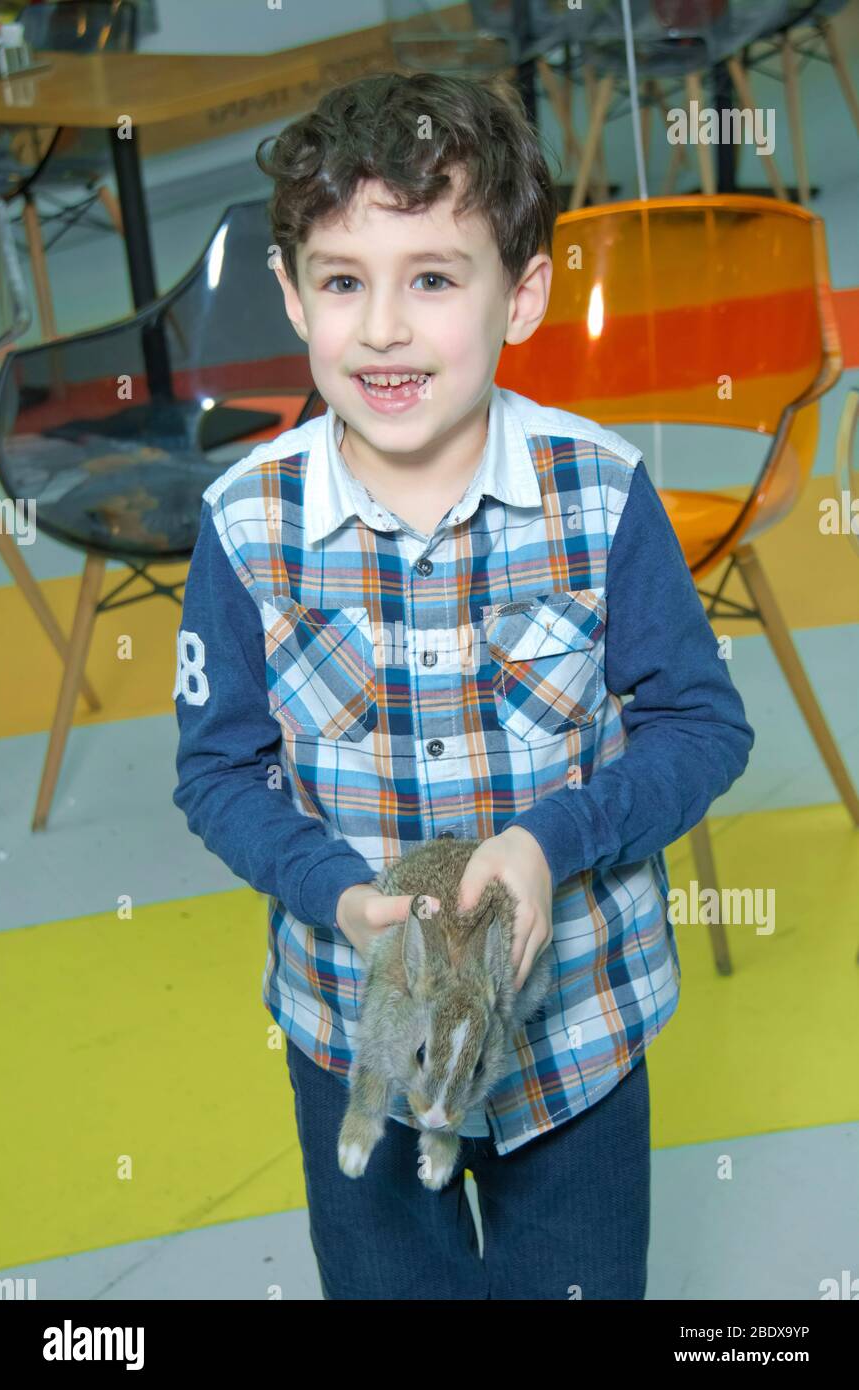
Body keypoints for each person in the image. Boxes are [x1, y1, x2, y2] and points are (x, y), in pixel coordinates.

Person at [172, 70, 754, 1300]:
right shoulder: (243, 525)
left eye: (433, 277)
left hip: (576, 1042)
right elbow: (220, 770)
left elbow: (700, 724)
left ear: (521, 293)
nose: (383, 328)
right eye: (342, 281)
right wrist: (333, 893)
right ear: (291, 295)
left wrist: (557, 838)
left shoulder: (600, 494)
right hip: (353, 1039)